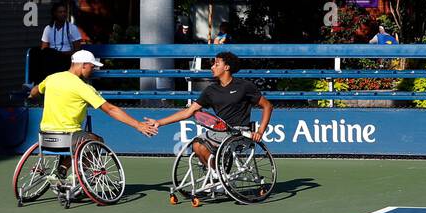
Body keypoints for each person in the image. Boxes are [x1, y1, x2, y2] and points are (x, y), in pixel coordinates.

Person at [27, 50, 157, 174]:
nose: (93, 70)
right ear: (83, 65)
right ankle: (68, 172)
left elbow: (35, 90)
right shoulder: (84, 88)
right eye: (92, 66)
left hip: (45, 136)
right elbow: (110, 109)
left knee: (82, 139)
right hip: (69, 137)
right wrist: (137, 125)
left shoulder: (52, 78)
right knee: (97, 141)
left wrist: (32, 97)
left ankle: (62, 168)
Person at [145, 51, 273, 165]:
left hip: (239, 133)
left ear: (227, 67)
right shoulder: (211, 90)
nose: (212, 67)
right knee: (197, 145)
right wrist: (159, 122)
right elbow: (188, 112)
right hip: (219, 131)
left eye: (216, 64)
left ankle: (218, 177)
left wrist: (260, 131)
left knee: (202, 146)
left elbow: (267, 106)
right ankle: (217, 175)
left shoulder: (244, 86)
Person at [37, 2, 83, 82]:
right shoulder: (48, 28)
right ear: (55, 14)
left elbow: (77, 50)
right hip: (52, 57)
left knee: (53, 60)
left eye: (65, 12)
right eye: (60, 12)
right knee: (36, 53)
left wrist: (63, 53)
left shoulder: (72, 28)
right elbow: (44, 48)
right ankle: (36, 84)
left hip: (66, 57)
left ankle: (40, 83)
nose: (63, 14)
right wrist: (54, 53)